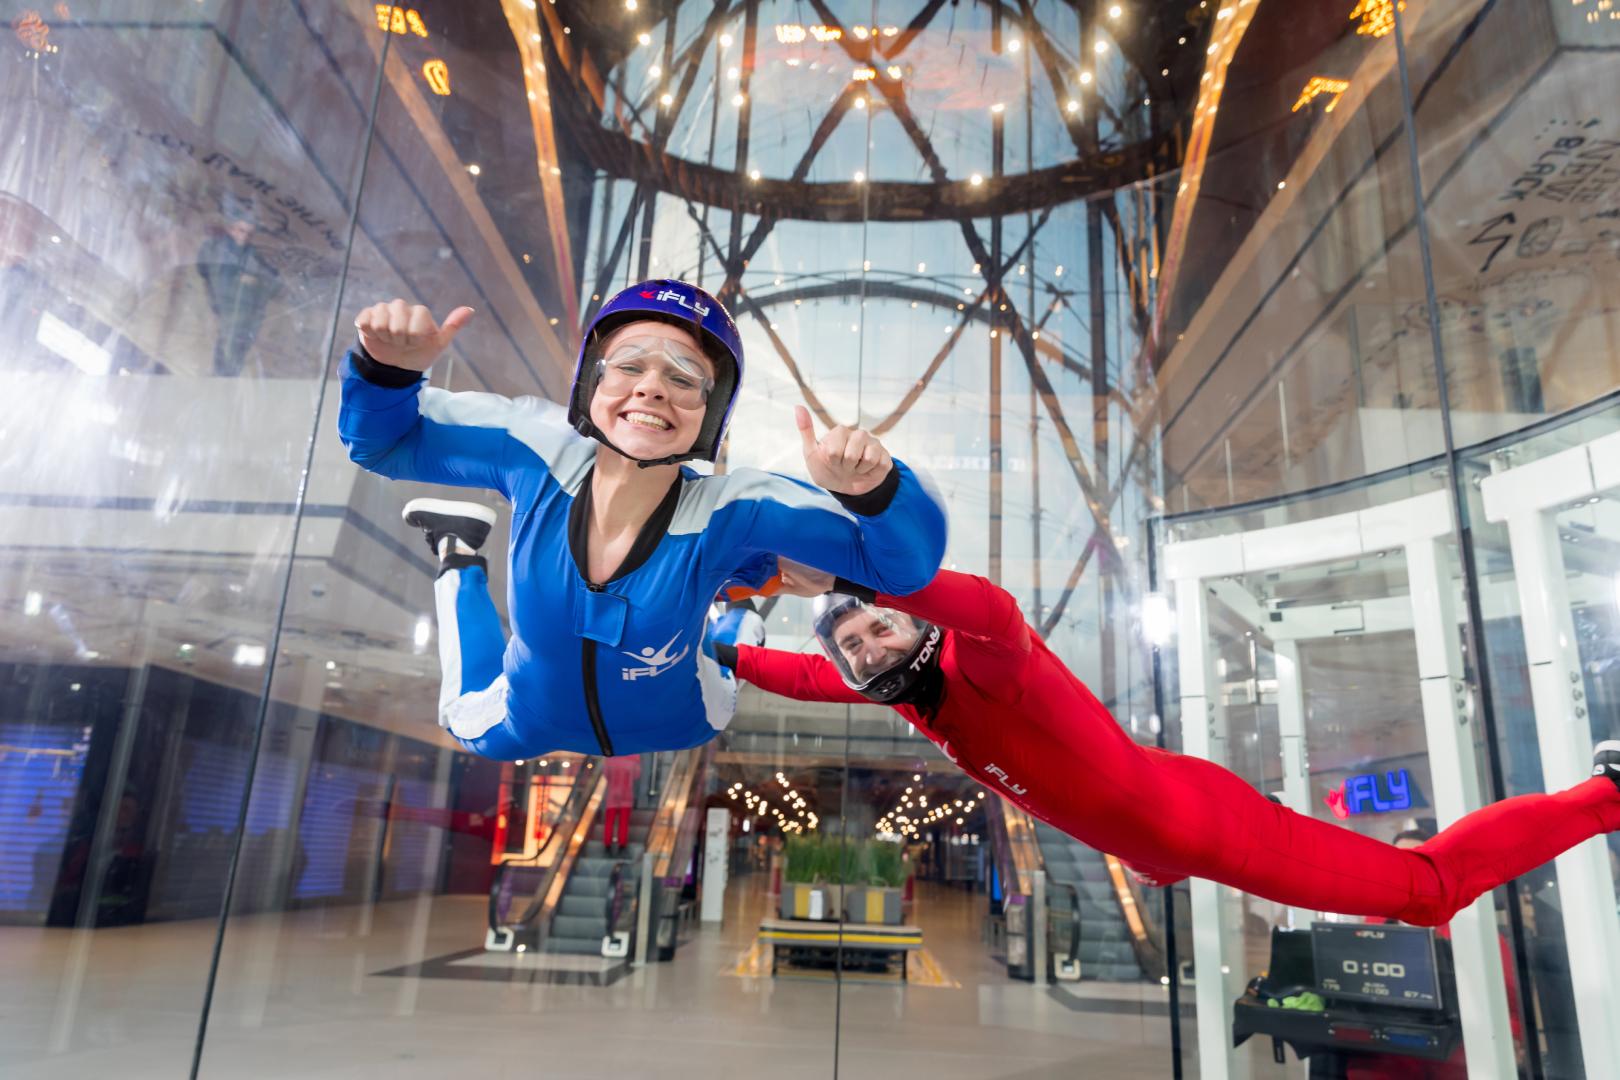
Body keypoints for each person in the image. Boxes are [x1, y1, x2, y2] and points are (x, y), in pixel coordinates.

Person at [712, 560, 1620, 928]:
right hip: (1160, 824)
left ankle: (1607, 797)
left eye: (879, 626)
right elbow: (804, 676)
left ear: (914, 622)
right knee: (1162, 842)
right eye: (853, 643)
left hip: (1207, 829)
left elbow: (989, 607)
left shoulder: (982, 662)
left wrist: (859, 572)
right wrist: (719, 651)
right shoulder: (908, 691)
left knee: (1428, 893)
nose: (869, 649)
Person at [338, 279, 946, 761]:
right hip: (528, 718)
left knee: (729, 650)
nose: (652, 388)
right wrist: (386, 372)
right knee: (463, 712)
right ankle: (460, 554)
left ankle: (742, 609)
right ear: (592, 381)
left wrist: (875, 488)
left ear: (711, 411)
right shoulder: (534, 449)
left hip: (686, 718)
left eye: (683, 378)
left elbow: (901, 568)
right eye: (628, 366)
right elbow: (385, 443)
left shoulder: (737, 509)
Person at [601, 755, 642, 856]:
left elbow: (606, 774)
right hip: (626, 794)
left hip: (612, 794)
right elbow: (637, 775)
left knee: (609, 821)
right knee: (624, 822)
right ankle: (622, 845)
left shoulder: (609, 758)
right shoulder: (633, 758)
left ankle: (607, 844)